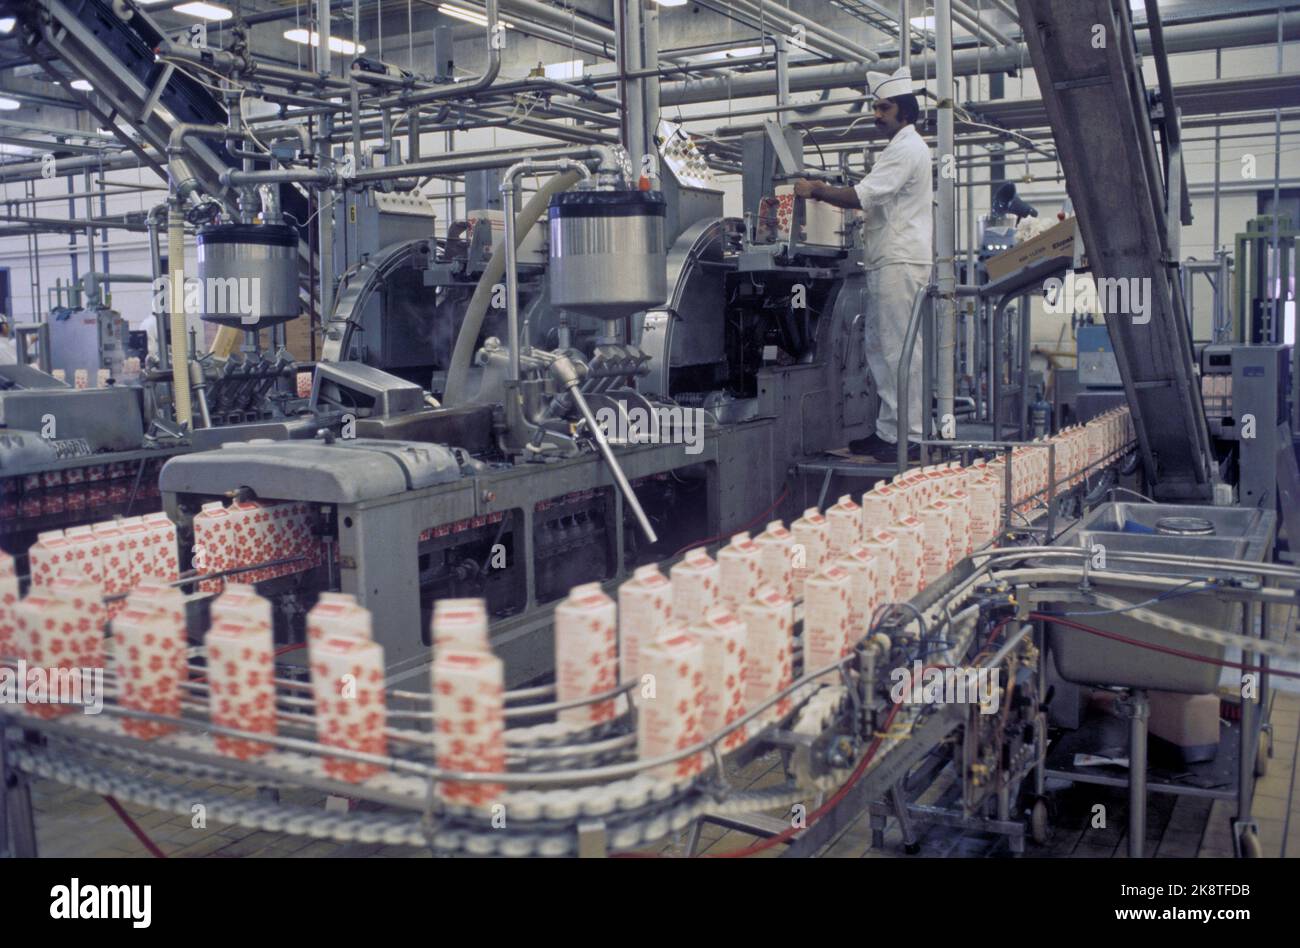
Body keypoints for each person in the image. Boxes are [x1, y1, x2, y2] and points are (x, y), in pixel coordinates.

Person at [793, 66, 932, 460]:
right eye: (875, 107)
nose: (877, 115)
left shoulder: (906, 148)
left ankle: (911, 435)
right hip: (891, 259)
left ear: (904, 110)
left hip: (900, 261)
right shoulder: (902, 148)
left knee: (897, 349)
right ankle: (890, 432)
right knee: (880, 347)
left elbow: (861, 195)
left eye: (884, 108)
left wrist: (817, 189)